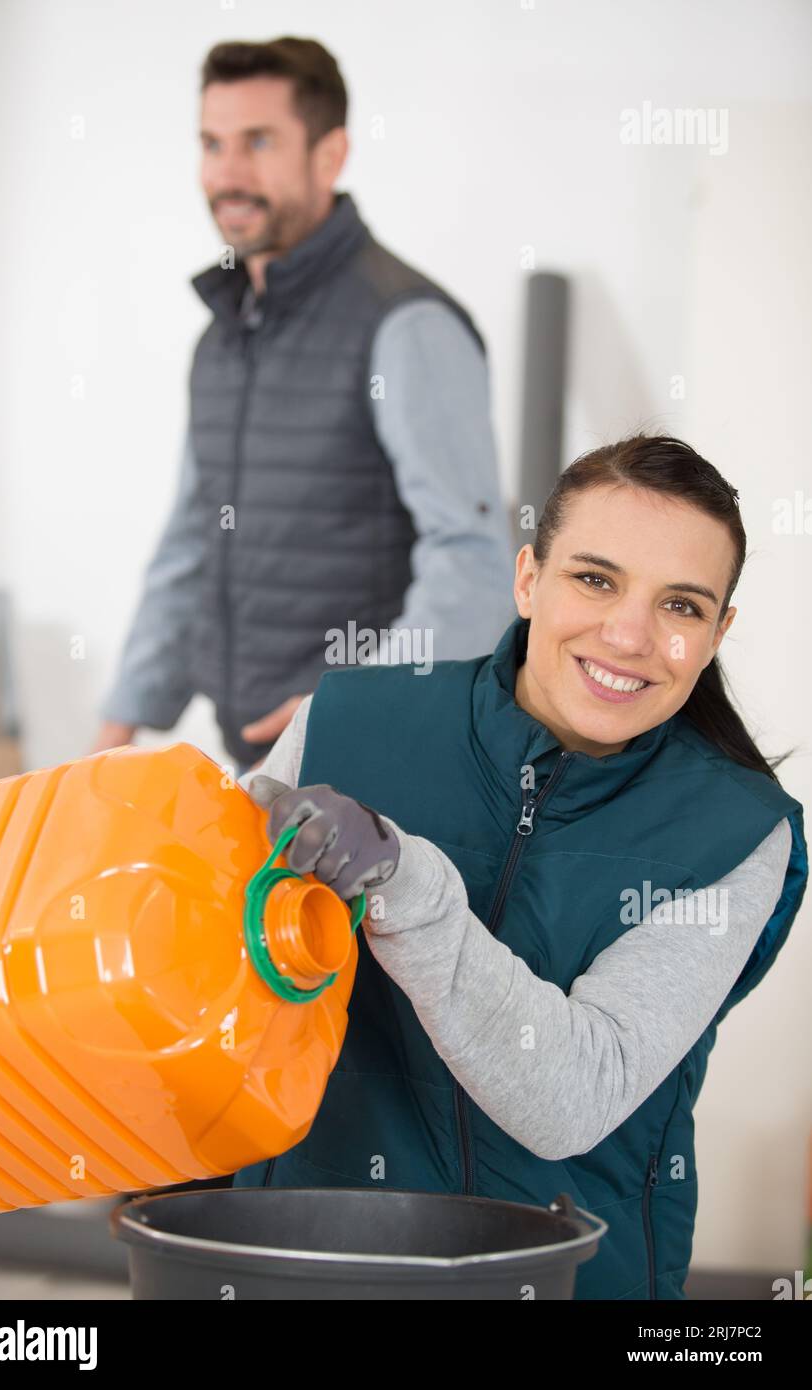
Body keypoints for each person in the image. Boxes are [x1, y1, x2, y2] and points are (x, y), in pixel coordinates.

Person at [231, 432, 808, 1300]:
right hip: (309, 1260)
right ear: (529, 578)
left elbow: (569, 1098)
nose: (628, 634)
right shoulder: (352, 717)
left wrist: (403, 885)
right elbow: (212, 953)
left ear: (718, 631)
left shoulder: (734, 831)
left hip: (564, 1279)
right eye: (595, 578)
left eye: (681, 606)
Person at [94, 37, 515, 772]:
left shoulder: (407, 324)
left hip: (375, 769)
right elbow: (191, 543)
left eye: (258, 142)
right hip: (260, 768)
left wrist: (348, 712)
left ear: (331, 154)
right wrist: (109, 737)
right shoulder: (223, 338)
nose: (227, 173)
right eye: (212, 143)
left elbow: (474, 564)